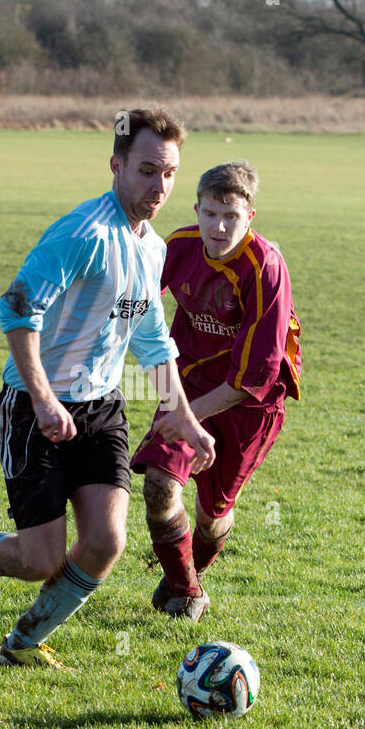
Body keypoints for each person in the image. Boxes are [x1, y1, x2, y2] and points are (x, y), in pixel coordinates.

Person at [0, 107, 216, 670]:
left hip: (101, 409)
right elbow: (17, 308)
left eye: (170, 174)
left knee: (105, 542)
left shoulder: (152, 248)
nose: (160, 186)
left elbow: (149, 334)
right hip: (33, 409)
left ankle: (23, 643)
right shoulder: (82, 234)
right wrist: (45, 397)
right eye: (148, 170)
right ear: (117, 166)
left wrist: (183, 414)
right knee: (39, 557)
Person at [130, 162, 302, 622]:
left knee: (211, 513)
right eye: (209, 214)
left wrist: (191, 414)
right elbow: (136, 302)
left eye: (231, 217)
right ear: (197, 210)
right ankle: (189, 593)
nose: (219, 227)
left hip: (250, 403)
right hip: (190, 388)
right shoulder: (180, 247)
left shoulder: (264, 267)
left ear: (250, 218)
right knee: (160, 486)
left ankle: (180, 577)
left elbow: (256, 376)